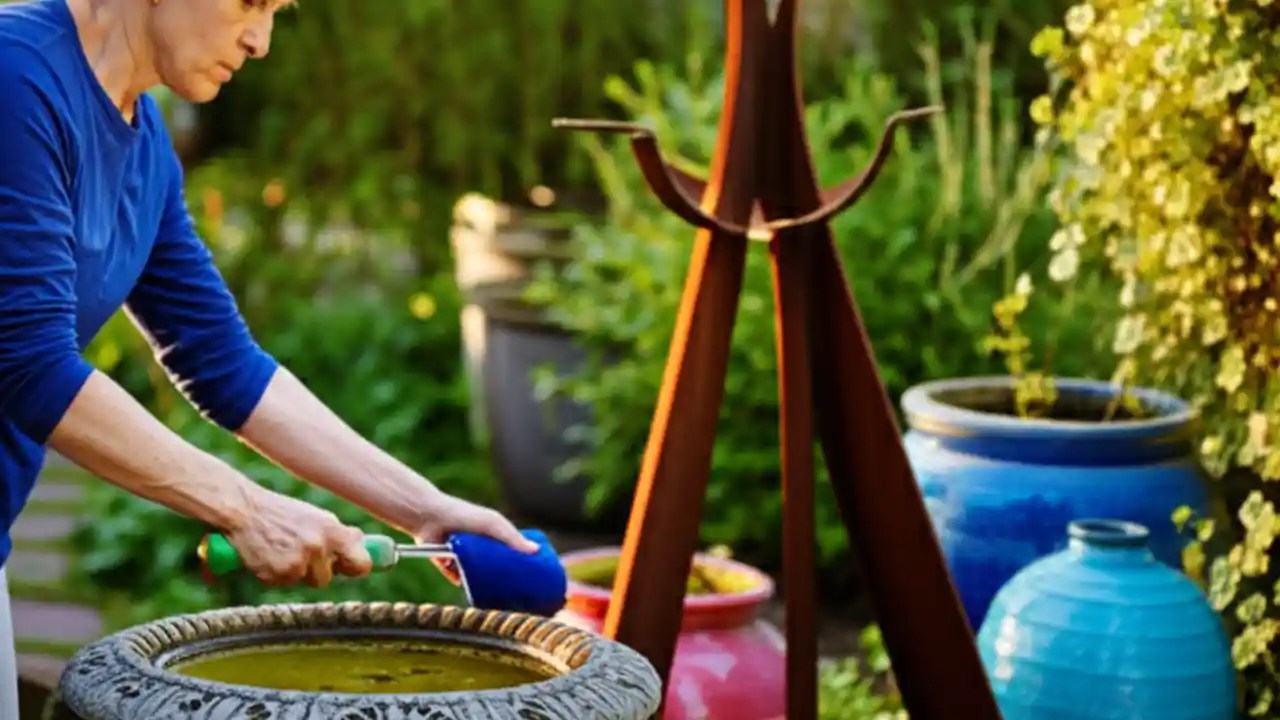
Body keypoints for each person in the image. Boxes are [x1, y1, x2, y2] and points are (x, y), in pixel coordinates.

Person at [0, 0, 538, 712]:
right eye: (247, 3)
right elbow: (26, 361)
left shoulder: (145, 145)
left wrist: (423, 510)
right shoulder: (16, 77)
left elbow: (224, 364)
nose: (259, 41)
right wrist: (247, 510)